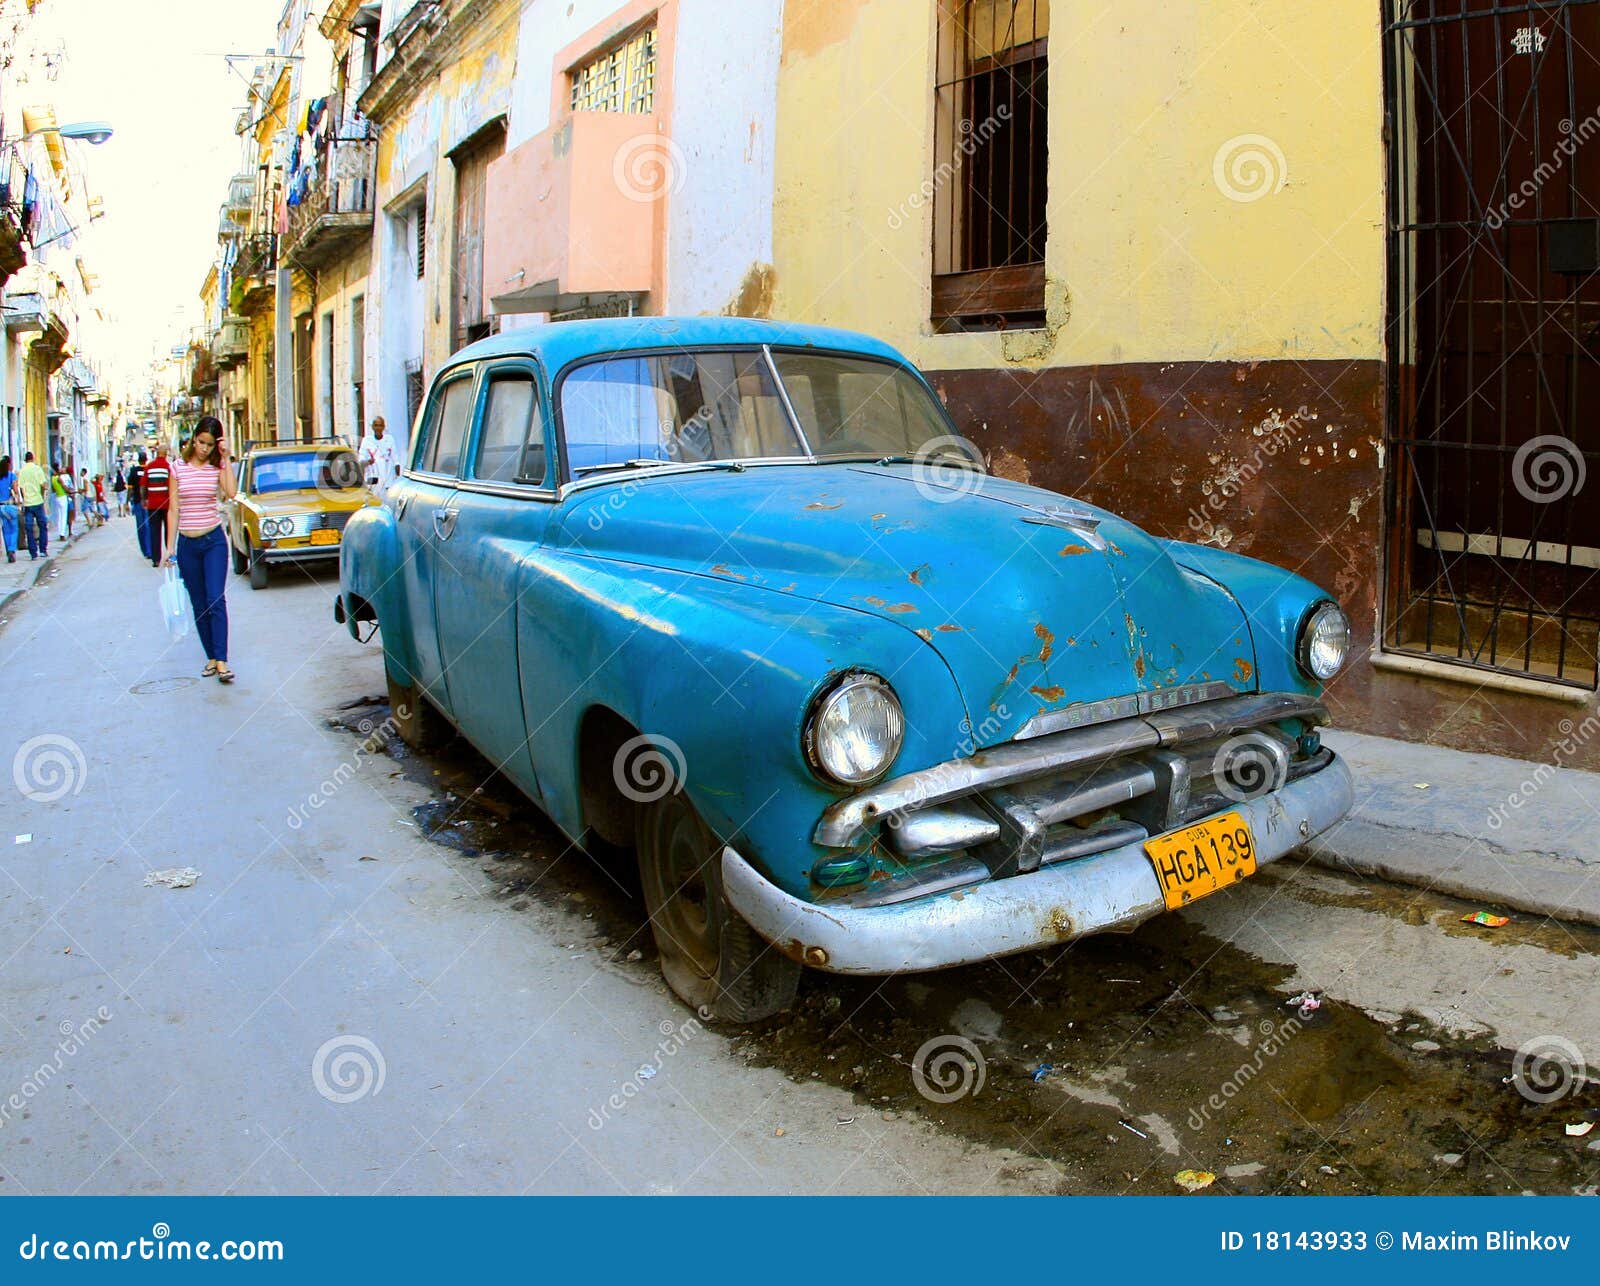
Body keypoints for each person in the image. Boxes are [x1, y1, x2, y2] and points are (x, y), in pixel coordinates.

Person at [164, 416, 237, 683]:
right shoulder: (177, 468)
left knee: (216, 599)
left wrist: (225, 457)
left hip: (213, 542)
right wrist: (169, 547)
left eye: (210, 444)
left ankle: (222, 661)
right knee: (199, 603)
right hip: (187, 545)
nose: (205, 449)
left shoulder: (216, 466)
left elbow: (231, 492)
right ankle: (212, 657)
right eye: (201, 442)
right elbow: (174, 509)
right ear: (194, 439)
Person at [357, 415, 401, 499]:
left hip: (388, 481)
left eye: (380, 425)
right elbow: (361, 462)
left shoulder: (389, 439)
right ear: (372, 427)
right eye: (376, 425)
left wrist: (397, 476)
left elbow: (395, 458)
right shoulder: (367, 441)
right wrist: (368, 462)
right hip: (373, 481)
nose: (378, 428)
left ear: (383, 427)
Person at [143, 446, 172, 569]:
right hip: (166, 505)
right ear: (165, 454)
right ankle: (169, 557)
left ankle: (156, 559)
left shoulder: (149, 467)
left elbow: (143, 485)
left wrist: (144, 499)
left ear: (157, 454)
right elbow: (171, 486)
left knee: (154, 531)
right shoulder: (168, 467)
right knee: (168, 531)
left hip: (153, 505)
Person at [18, 452, 47, 559]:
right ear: (33, 458)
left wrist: (24, 499)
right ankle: (43, 550)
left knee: (29, 528)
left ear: (25, 459)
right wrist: (42, 496)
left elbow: (21, 488)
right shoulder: (37, 469)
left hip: (28, 504)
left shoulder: (22, 471)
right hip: (38, 501)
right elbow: (44, 485)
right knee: (42, 526)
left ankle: (33, 553)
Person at [128, 452, 148, 557]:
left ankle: (144, 550)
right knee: (149, 526)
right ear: (146, 459)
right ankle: (150, 550)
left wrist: (127, 501)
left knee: (140, 527)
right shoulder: (148, 470)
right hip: (148, 502)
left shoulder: (133, 471)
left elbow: (130, 489)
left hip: (137, 501)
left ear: (139, 460)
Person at [0, 456, 18, 563]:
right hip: (9, 506)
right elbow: (15, 490)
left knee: (6, 530)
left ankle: (8, 551)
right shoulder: (11, 475)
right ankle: (12, 549)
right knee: (14, 529)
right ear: (9, 465)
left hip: (0, 507)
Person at [51, 461, 70, 542]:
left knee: (59, 516)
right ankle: (62, 534)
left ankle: (60, 532)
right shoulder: (59, 478)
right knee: (63, 516)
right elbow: (64, 487)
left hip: (57, 497)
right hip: (62, 496)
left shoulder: (53, 478)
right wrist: (70, 490)